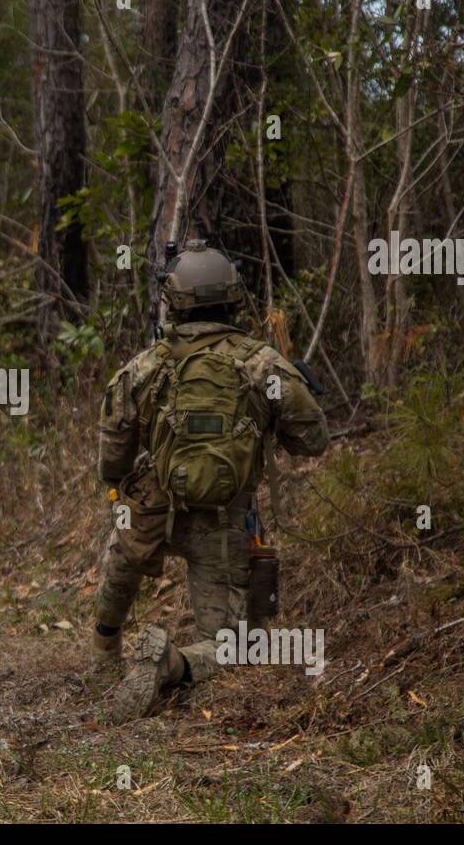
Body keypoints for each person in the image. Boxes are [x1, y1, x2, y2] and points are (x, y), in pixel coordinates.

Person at [93, 240, 330, 723]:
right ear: (234, 298)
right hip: (223, 517)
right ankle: (173, 662)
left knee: (122, 558)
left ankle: (103, 652)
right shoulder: (262, 363)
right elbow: (314, 441)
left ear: (174, 300)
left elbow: (112, 454)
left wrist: (121, 487)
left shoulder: (146, 365)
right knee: (232, 645)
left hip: (154, 508)